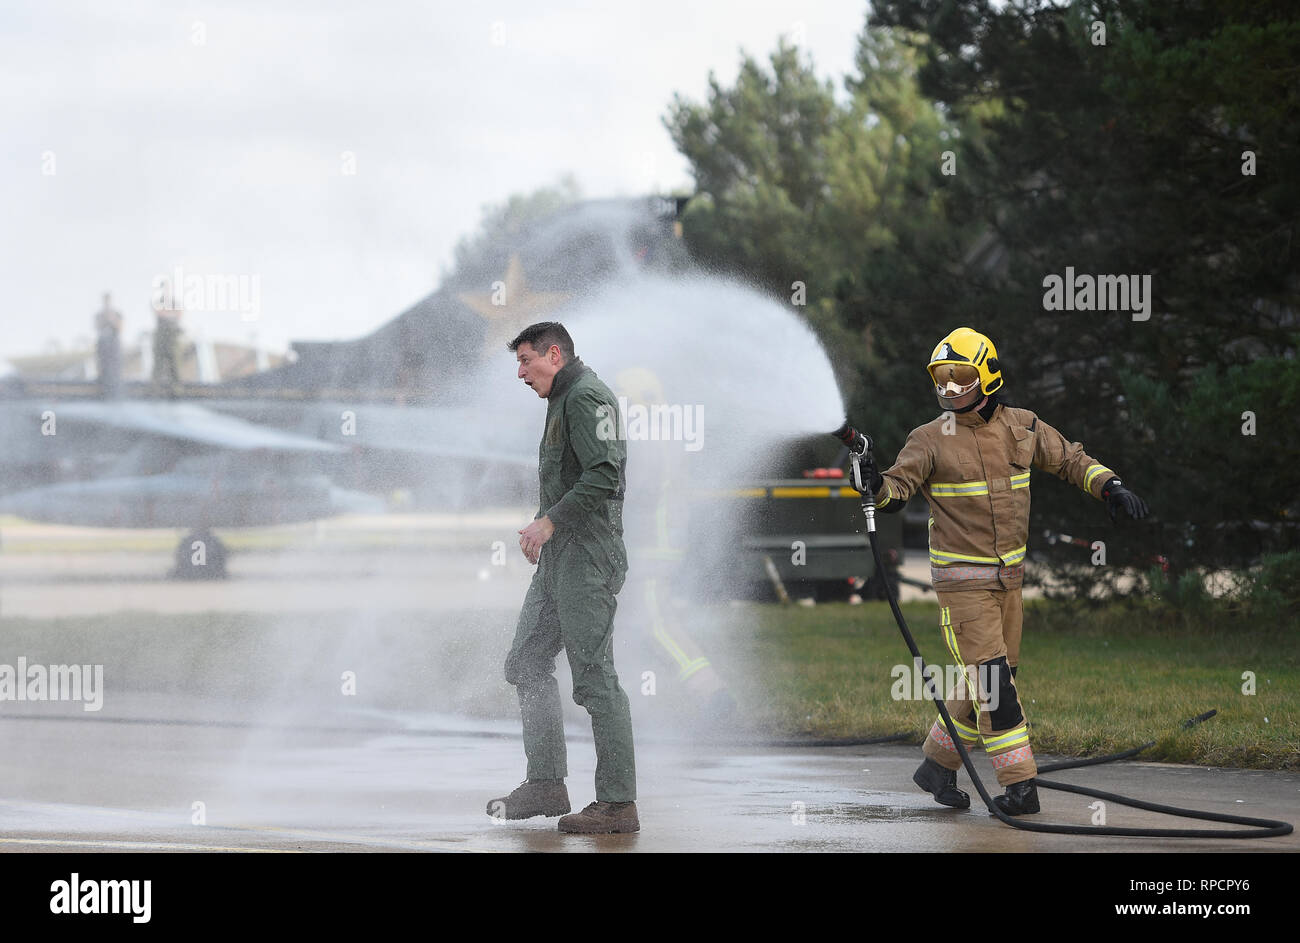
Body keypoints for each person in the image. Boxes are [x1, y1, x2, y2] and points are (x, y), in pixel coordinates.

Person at [857, 327, 1148, 815]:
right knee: (993, 684)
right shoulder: (929, 439)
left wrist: (1109, 486)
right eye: (941, 380)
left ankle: (937, 765)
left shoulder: (1022, 426)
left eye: (960, 378)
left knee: (992, 678)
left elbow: (1070, 460)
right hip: (963, 589)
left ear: (988, 375)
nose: (950, 390)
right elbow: (895, 490)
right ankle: (1020, 787)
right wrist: (872, 484)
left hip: (1009, 582)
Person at [488, 321, 639, 834]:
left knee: (595, 679)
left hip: (588, 557)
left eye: (526, 360)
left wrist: (550, 521)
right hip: (561, 558)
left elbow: (604, 473)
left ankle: (618, 805)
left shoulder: (586, 397)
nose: (520, 372)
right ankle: (547, 784)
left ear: (555, 354)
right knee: (526, 662)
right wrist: (546, 531)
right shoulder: (561, 398)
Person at [93, 293, 123, 399]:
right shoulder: (99, 314)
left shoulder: (117, 314)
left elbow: (120, 328)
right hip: (103, 344)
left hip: (114, 345)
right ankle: (103, 393)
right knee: (103, 368)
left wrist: (112, 319)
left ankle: (115, 392)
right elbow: (96, 326)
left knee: (114, 369)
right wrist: (104, 318)